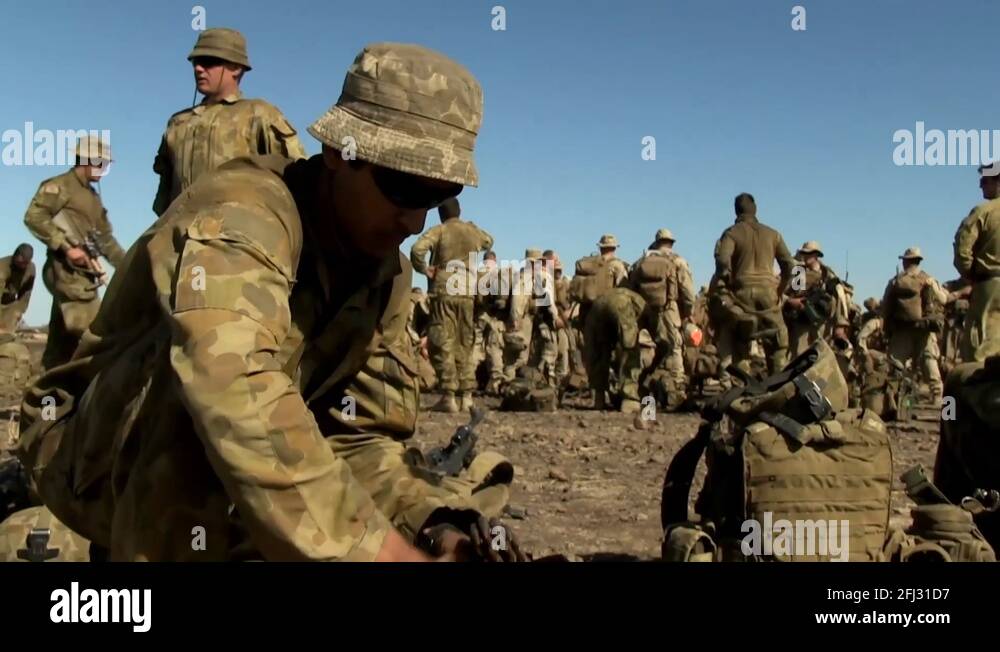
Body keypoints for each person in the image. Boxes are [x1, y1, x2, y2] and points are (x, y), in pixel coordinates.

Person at [17, 42, 522, 563]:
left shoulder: (385, 275)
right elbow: (227, 381)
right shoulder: (247, 208)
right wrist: (384, 555)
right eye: (401, 186)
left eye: (437, 195)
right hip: (89, 450)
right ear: (336, 153)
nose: (414, 221)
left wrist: (428, 523)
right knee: (206, 395)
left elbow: (357, 439)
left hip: (219, 458)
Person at [152, 27, 306, 216]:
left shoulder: (259, 114)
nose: (199, 68)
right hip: (178, 237)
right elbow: (164, 197)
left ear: (236, 68)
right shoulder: (178, 123)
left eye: (209, 62)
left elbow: (299, 179)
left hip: (238, 237)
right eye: (196, 62)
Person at [23, 137, 126, 369]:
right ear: (88, 160)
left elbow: (106, 240)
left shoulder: (92, 197)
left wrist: (129, 265)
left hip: (82, 274)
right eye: (101, 163)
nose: (105, 169)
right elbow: (34, 216)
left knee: (61, 346)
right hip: (66, 272)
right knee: (96, 335)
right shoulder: (60, 186)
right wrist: (67, 247)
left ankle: (50, 398)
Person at [409, 197, 493, 412]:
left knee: (443, 339)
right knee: (465, 340)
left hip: (444, 288)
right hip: (466, 290)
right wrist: (471, 229)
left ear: (440, 214)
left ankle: (448, 397)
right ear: (460, 210)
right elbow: (488, 241)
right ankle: (466, 396)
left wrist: (425, 269)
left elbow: (417, 249)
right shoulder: (472, 231)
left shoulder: (440, 230)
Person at [710, 193, 795, 382]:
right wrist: (780, 290)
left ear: (736, 210)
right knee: (778, 345)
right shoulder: (773, 234)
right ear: (755, 209)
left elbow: (723, 260)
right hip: (769, 294)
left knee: (741, 343)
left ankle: (742, 391)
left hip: (742, 293)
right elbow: (789, 264)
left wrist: (726, 279)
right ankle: (778, 387)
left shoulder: (732, 233)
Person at [627, 228, 695, 408]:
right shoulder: (678, 261)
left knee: (645, 348)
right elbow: (688, 292)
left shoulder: (640, 262)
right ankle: (676, 392)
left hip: (644, 310)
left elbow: (631, 288)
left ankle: (640, 389)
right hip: (669, 309)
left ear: (657, 242)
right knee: (674, 347)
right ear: (671, 243)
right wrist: (688, 312)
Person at [880, 247, 949, 404]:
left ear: (905, 261)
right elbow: (944, 299)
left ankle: (898, 401)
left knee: (897, 365)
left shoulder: (895, 281)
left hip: (901, 330)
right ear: (918, 261)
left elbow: (885, 308)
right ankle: (940, 401)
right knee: (929, 362)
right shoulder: (928, 279)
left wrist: (887, 330)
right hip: (924, 329)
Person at [953, 160, 1000, 362]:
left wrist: (971, 275)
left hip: (989, 285)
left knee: (979, 348)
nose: (981, 185)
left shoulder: (983, 212)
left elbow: (962, 250)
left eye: (985, 181)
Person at [583, 287, 646, 412]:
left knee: (601, 351)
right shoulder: (647, 308)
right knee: (631, 350)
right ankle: (630, 400)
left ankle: (598, 398)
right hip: (620, 304)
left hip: (597, 305)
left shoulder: (632, 295)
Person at [783, 240, 850, 357]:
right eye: (804, 253)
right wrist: (792, 301)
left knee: (820, 356)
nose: (806, 256)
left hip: (822, 322)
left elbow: (839, 298)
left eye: (810, 253)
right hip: (802, 320)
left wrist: (840, 326)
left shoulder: (827, 274)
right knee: (800, 356)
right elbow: (792, 294)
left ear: (817, 255)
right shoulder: (799, 271)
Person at [0, 244, 35, 332]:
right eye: (20, 262)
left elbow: (26, 293)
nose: (23, 265)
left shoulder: (31, 269)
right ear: (15, 256)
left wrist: (20, 311)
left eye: (25, 263)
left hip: (10, 303)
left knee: (7, 334)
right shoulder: (2, 266)